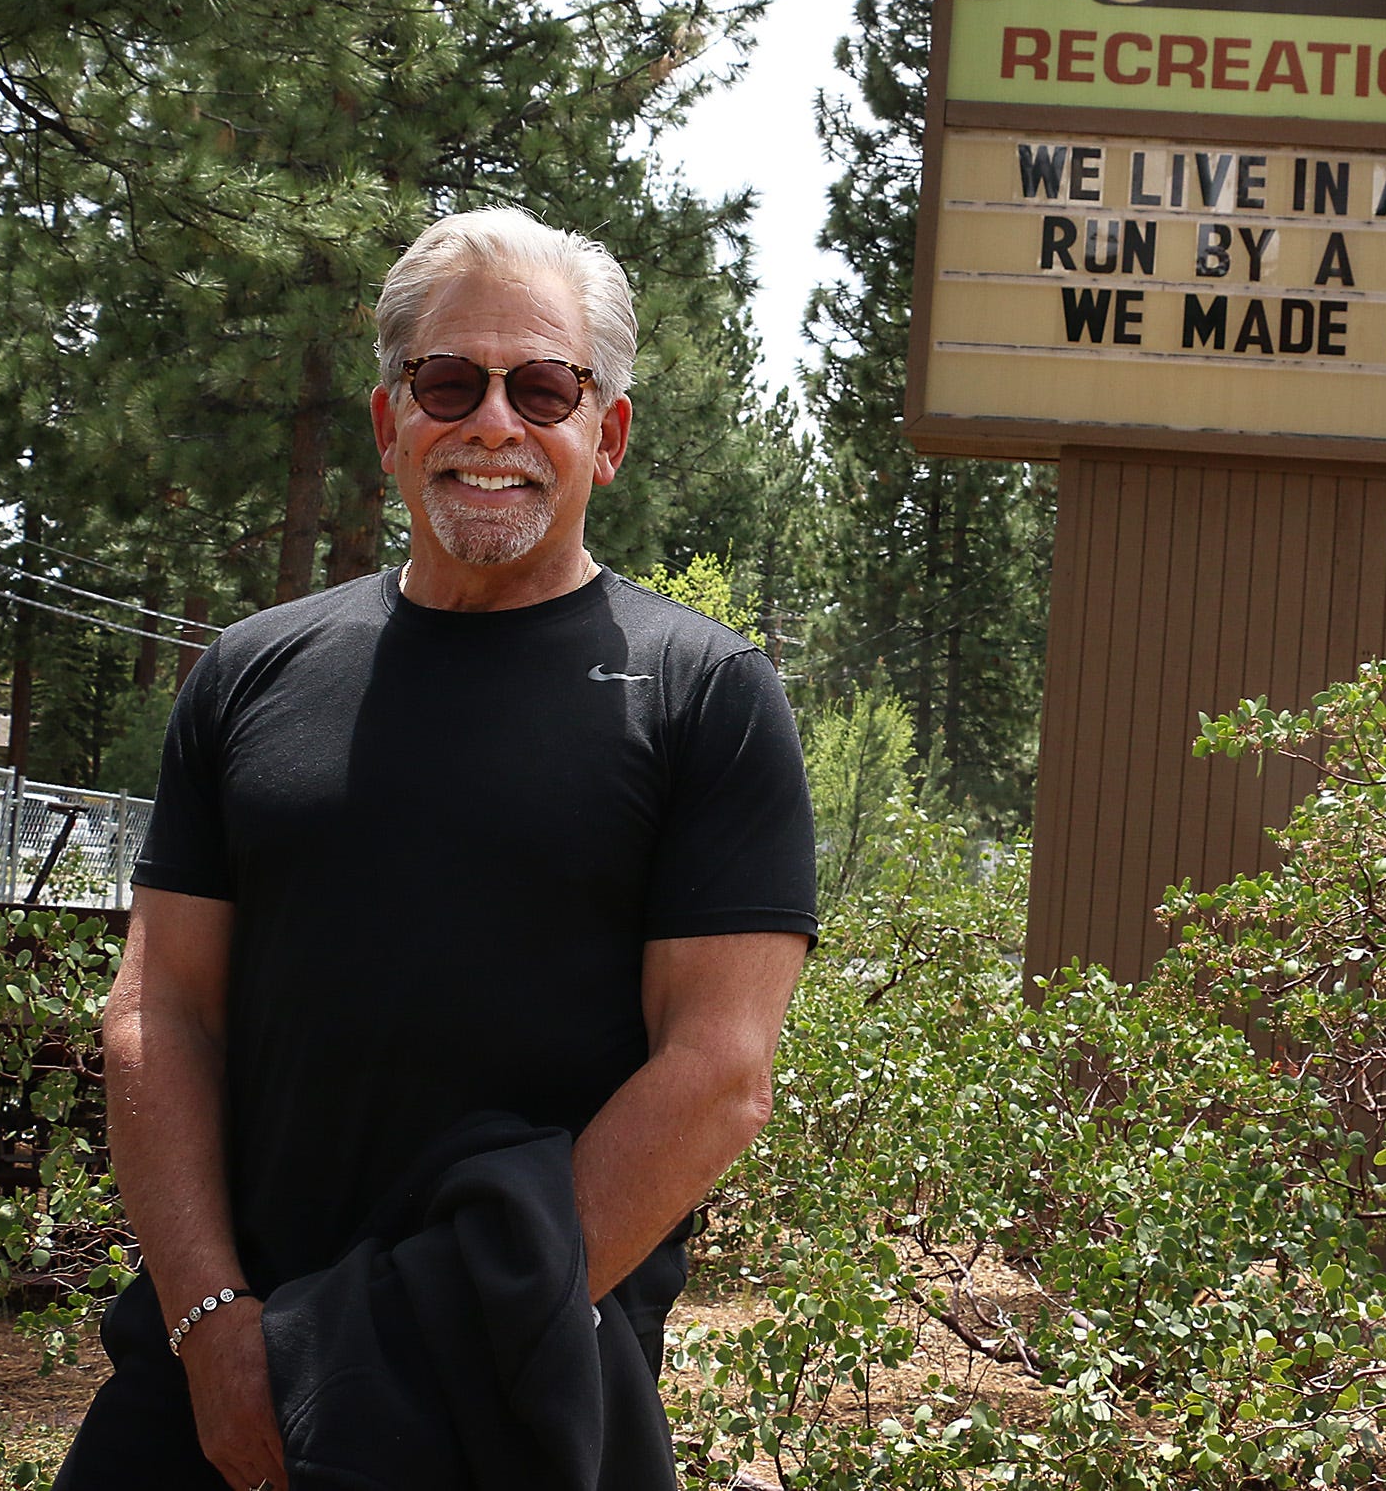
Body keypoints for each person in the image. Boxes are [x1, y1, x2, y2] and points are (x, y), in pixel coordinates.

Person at [57, 209, 818, 1490]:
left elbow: (719, 1072)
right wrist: (214, 1325)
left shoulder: (705, 696)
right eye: (450, 381)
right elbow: (158, 1009)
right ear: (389, 420)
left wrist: (395, 1356)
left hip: (514, 1391)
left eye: (546, 387)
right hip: (220, 1377)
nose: (494, 423)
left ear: (607, 434)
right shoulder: (248, 673)